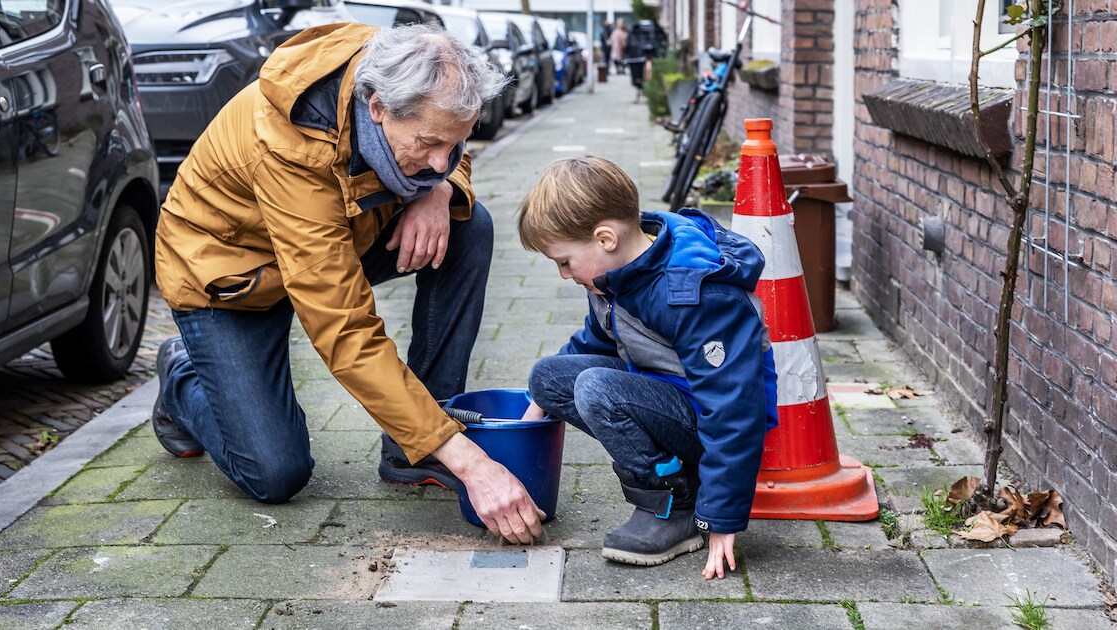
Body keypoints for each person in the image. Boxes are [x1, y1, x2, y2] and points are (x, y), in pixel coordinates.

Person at [152, 22, 546, 545]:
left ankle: (417, 449)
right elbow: (345, 330)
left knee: (468, 226)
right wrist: (473, 464)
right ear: (378, 107)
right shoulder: (290, 145)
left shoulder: (403, 73)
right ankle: (181, 376)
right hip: (230, 277)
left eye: (453, 142)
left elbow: (443, 148)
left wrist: (438, 190)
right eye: (429, 144)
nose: (439, 159)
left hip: (334, 241)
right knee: (274, 474)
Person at [516, 157, 778, 578]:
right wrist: (537, 401)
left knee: (595, 389)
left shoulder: (692, 292)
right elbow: (600, 336)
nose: (564, 275)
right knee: (548, 377)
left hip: (708, 413)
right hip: (662, 390)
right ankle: (674, 472)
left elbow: (734, 409)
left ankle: (673, 506)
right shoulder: (613, 271)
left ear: (604, 238)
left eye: (564, 261)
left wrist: (723, 519)